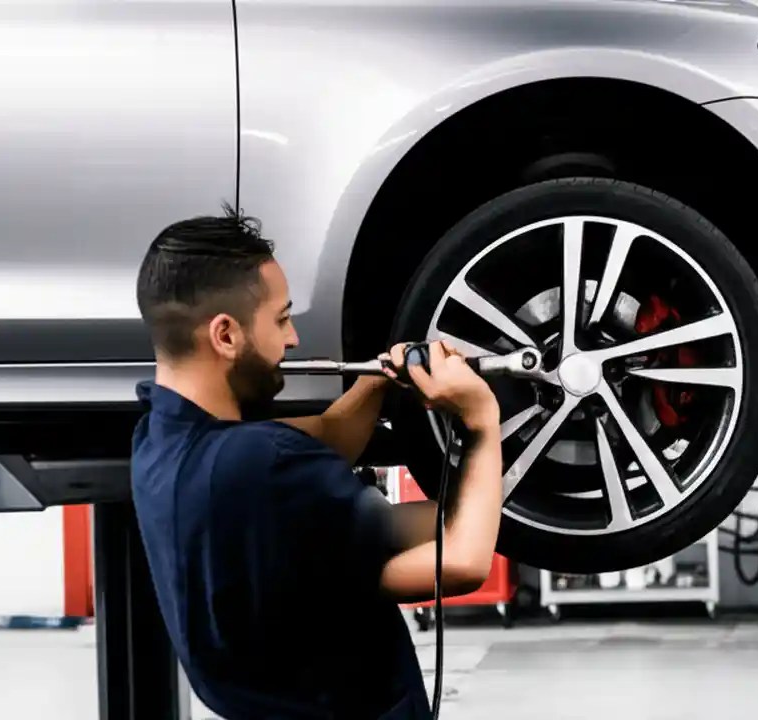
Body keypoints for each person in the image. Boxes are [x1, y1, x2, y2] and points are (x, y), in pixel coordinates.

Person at [129, 205, 503, 719]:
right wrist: (482, 420)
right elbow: (461, 562)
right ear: (225, 334)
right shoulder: (262, 467)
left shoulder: (158, 439)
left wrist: (375, 379)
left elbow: (327, 436)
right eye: (281, 319)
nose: (293, 339)